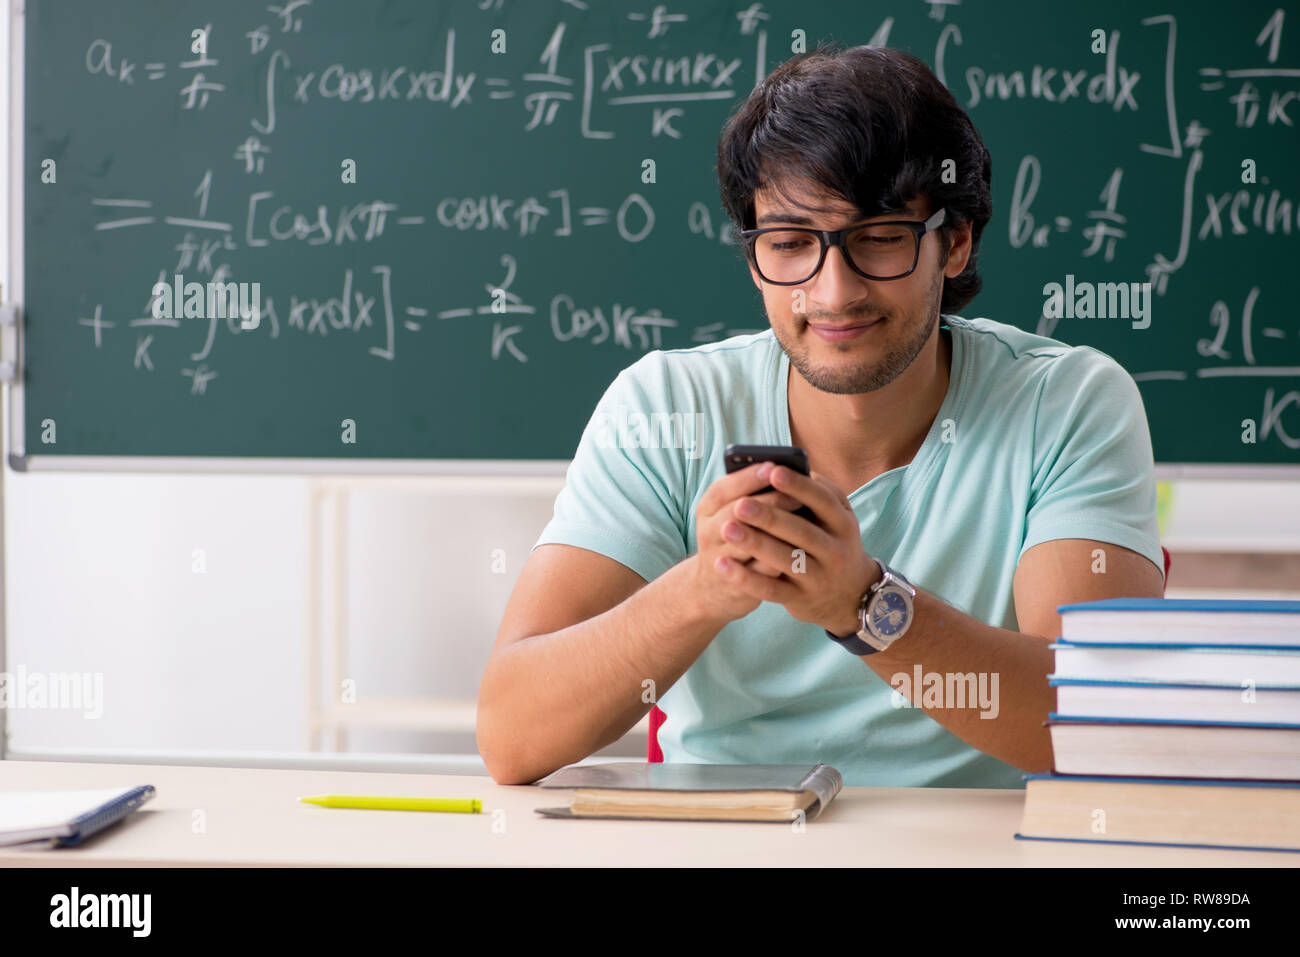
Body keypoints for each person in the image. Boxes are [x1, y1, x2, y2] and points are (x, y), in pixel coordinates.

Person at [477, 44, 1165, 787]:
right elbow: (512, 737)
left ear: (955, 242)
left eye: (877, 239)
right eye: (791, 243)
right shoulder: (664, 408)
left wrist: (865, 603)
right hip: (724, 844)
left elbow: (1102, 725)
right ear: (753, 256)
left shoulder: (1067, 404)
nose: (833, 292)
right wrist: (706, 586)